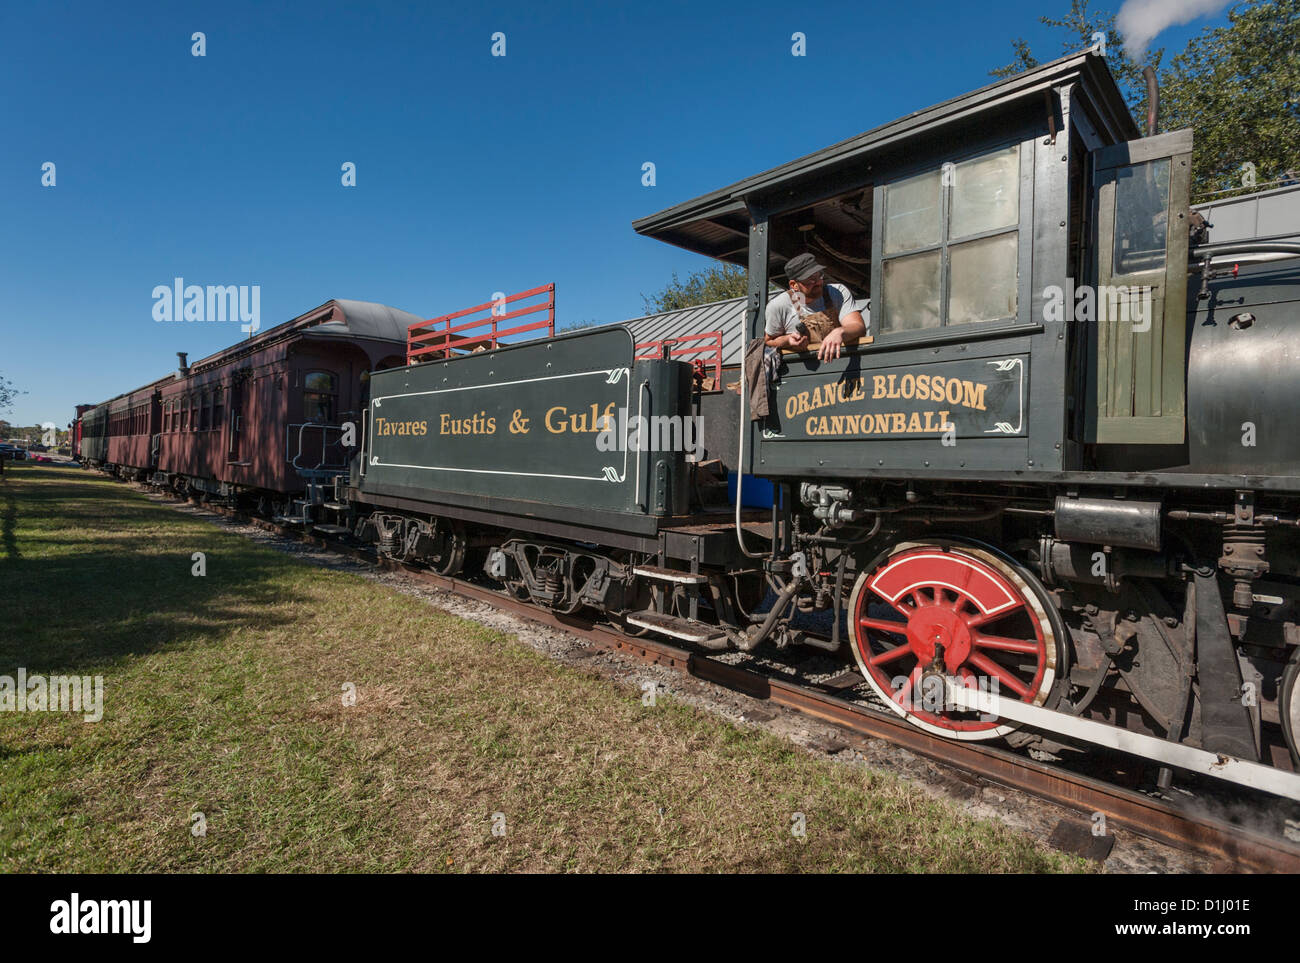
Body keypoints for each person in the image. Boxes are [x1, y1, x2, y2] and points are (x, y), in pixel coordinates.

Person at [764, 253, 866, 361]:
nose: (818, 282)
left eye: (819, 276)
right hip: (804, 368)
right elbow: (769, 341)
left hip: (842, 362)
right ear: (794, 285)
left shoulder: (837, 292)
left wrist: (840, 332)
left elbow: (858, 326)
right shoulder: (778, 306)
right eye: (810, 279)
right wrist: (788, 340)